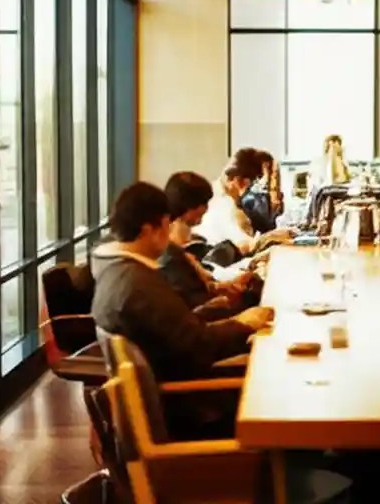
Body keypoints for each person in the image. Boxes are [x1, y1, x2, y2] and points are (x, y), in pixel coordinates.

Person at [90, 182, 274, 383]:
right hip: (189, 391)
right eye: (167, 224)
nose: (169, 232)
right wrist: (243, 324)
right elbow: (196, 346)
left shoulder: (113, 270)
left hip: (173, 375)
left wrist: (209, 311)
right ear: (149, 230)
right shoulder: (139, 285)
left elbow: (173, 330)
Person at [161, 172, 258, 321]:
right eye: (204, 203)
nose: (207, 209)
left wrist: (223, 286)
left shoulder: (178, 247)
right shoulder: (171, 254)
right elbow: (196, 302)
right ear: (190, 206)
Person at [195, 151, 292, 257]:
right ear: (239, 181)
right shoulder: (223, 204)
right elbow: (245, 245)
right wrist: (273, 236)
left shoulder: (223, 196)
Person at [240, 151, 283, 234]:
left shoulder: (268, 197)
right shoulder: (251, 200)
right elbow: (265, 229)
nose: (276, 178)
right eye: (273, 172)